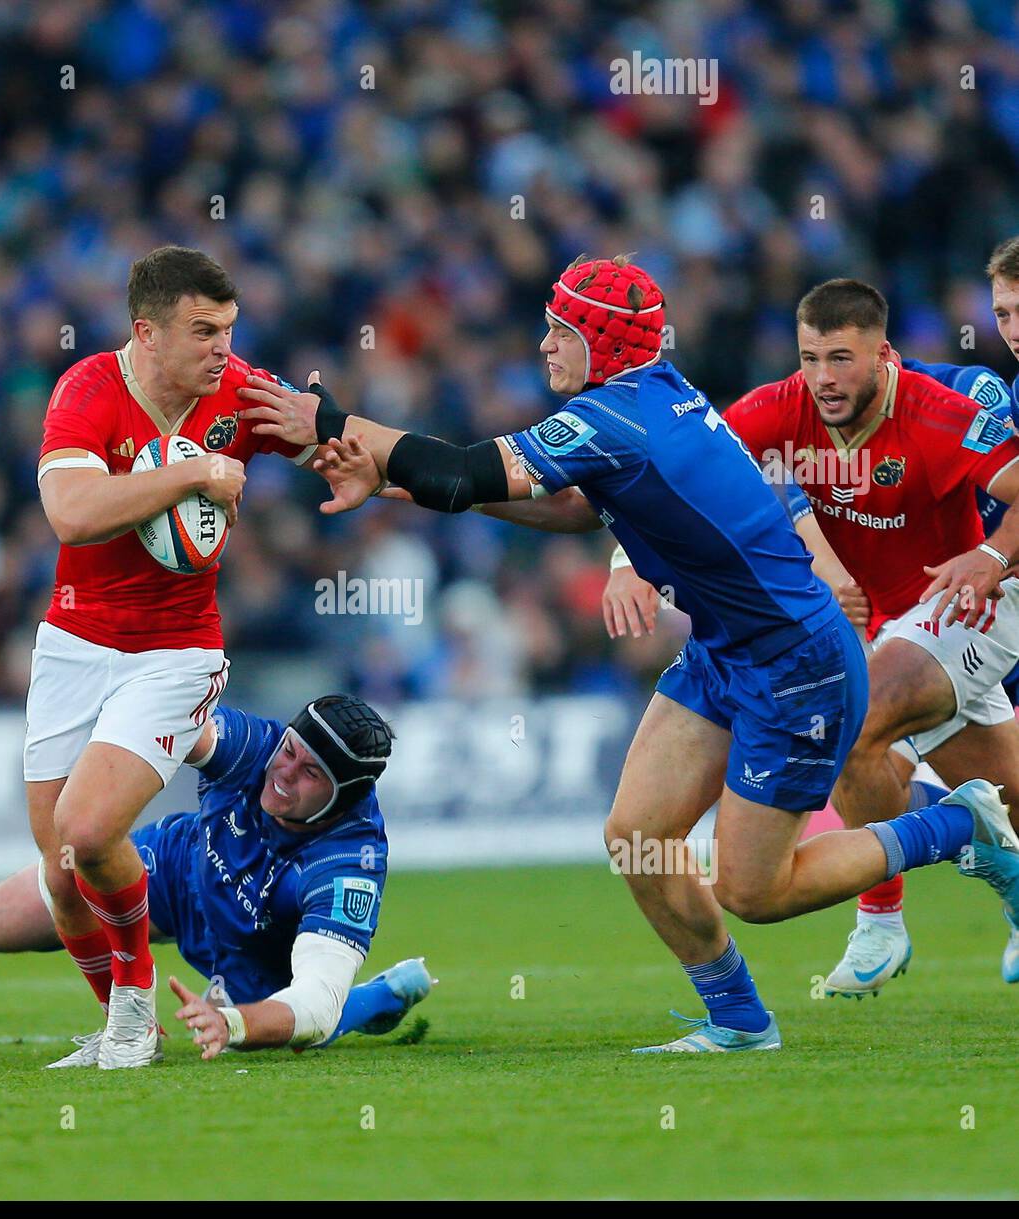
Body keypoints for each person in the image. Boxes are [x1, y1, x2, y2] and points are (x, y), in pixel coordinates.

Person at [238, 252, 1019, 1054]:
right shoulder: (649, 396)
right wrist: (403, 484)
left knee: (755, 889)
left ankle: (954, 825)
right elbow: (575, 508)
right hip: (727, 650)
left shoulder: (614, 419)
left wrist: (334, 428)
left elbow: (464, 471)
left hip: (796, 666)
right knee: (637, 837)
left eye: (560, 329)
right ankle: (741, 1022)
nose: (543, 344)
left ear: (602, 343)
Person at [606, 280, 1019, 993]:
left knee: (852, 723)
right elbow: (678, 473)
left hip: (962, 601)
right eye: (809, 359)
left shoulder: (942, 413)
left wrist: (990, 555)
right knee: (1009, 801)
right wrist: (623, 564)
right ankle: (980, 842)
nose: (823, 379)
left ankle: (882, 921)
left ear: (884, 355)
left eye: (841, 359)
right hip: (863, 630)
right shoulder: (776, 408)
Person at [26, 245, 319, 1069]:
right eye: (203, 331)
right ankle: (128, 1025)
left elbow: (325, 441)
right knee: (58, 873)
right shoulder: (87, 390)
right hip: (75, 643)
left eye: (228, 328)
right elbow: (72, 513)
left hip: (178, 650)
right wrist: (196, 471)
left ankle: (132, 1015)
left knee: (88, 832)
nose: (223, 348)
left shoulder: (239, 391)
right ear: (146, 333)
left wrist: (356, 448)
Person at [0, 697, 434, 1065]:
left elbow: (315, 1001)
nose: (284, 774)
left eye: (311, 773)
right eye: (291, 751)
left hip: (251, 950)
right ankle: (128, 1018)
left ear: (344, 798)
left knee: (280, 1033)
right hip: (177, 867)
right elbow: (181, 728)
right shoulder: (258, 745)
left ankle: (376, 997)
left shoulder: (348, 864)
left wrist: (233, 1024)